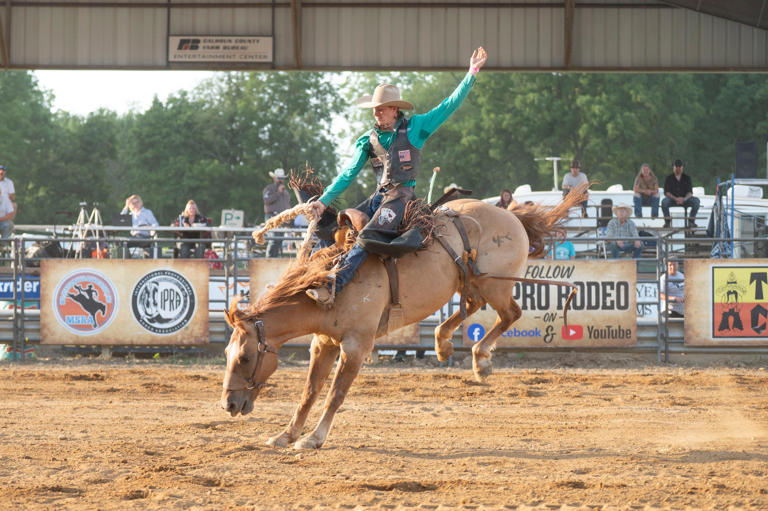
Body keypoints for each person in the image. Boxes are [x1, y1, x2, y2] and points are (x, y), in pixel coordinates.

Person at [306, 47, 488, 305]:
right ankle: (309, 275)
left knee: (367, 235)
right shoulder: (367, 140)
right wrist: (323, 201)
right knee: (333, 228)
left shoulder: (416, 127)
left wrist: (472, 72)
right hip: (379, 196)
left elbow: (449, 106)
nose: (376, 113)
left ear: (394, 109)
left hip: (402, 197)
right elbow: (348, 174)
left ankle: (336, 284)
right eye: (374, 109)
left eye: (381, 109)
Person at [662, 159, 700, 228]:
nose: (678, 168)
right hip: (672, 199)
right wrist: (675, 198)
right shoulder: (669, 178)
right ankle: (667, 222)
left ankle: (691, 221)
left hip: (685, 199)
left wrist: (684, 199)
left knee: (696, 201)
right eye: (676, 167)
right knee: (664, 202)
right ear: (673, 167)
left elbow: (690, 192)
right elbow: (666, 192)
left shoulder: (687, 178)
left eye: (680, 167)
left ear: (682, 167)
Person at [263, 168, 291, 258]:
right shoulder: (269, 188)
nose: (281, 180)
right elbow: (266, 200)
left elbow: (287, 204)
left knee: (279, 240)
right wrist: (278, 193)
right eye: (279, 178)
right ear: (274, 178)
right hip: (272, 216)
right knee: (274, 239)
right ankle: (269, 260)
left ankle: (274, 259)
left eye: (282, 178)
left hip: (282, 218)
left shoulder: (285, 192)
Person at [121, 194, 159, 258]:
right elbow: (120, 221)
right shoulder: (131, 214)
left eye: (137, 202)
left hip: (145, 237)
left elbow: (156, 225)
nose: (135, 204)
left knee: (124, 242)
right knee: (120, 242)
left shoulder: (147, 212)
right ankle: (127, 261)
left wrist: (148, 227)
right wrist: (126, 207)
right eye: (133, 203)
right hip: (134, 237)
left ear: (140, 202)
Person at [0, 164, 16, 239]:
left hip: (6, 203)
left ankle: (3, 244)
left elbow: (12, 197)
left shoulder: (9, 182)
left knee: (14, 205)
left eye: (2, 171)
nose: (1, 173)